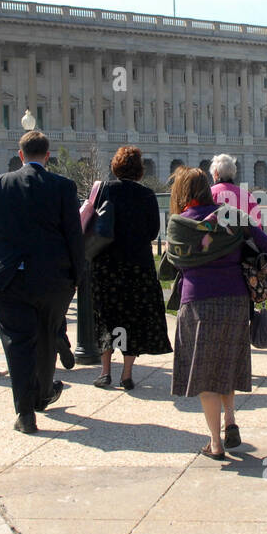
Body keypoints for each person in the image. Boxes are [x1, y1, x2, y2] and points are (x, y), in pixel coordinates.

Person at [165, 167, 267, 458]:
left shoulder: (179, 225)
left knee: (206, 375)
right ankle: (231, 420)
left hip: (197, 303)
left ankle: (215, 442)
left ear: (182, 193)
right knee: (228, 363)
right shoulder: (231, 216)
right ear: (208, 189)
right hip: (234, 301)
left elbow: (172, 262)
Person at [0, 130, 85, 435]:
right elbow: (73, 236)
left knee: (18, 344)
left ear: (20, 155)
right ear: (47, 156)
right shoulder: (63, 186)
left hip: (7, 278)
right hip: (52, 278)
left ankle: (26, 412)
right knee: (48, 337)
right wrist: (78, 276)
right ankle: (41, 394)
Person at [91, 146, 172, 390]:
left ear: (115, 167)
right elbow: (152, 232)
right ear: (139, 170)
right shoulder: (146, 195)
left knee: (107, 316)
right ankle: (126, 373)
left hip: (106, 264)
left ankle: (105, 372)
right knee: (131, 318)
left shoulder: (104, 190)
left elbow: (90, 222)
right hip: (137, 265)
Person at [209, 153, 262, 225]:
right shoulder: (247, 196)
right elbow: (258, 226)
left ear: (215, 174)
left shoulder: (208, 194)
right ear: (233, 173)